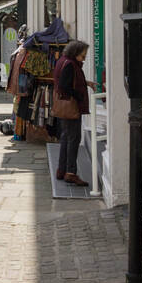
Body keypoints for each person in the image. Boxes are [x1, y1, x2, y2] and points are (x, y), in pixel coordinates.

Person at [53, 39, 96, 186]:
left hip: (64, 106)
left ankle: (61, 169)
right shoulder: (70, 65)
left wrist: (86, 83)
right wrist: (79, 95)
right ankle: (70, 173)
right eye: (83, 56)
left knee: (66, 137)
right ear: (75, 53)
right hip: (71, 107)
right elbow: (65, 85)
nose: (84, 59)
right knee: (74, 139)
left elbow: (69, 81)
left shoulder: (63, 61)